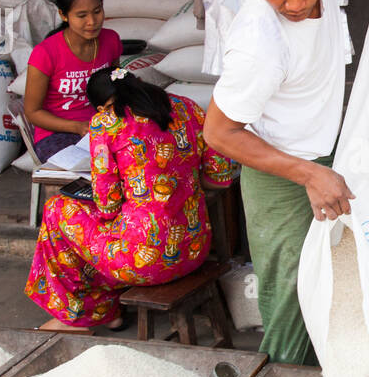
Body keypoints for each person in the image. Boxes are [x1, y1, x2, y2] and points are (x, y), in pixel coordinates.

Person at [203, 0, 369, 365]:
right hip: (280, 174)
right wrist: (308, 173)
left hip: (330, 151)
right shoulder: (258, 43)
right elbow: (218, 132)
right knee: (292, 298)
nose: (295, 3)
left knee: (343, 284)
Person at [26, 68, 238, 331]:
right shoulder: (188, 108)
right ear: (138, 84)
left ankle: (85, 316)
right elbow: (220, 178)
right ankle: (104, 310)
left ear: (102, 106)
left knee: (57, 209)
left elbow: (108, 205)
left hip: (141, 261)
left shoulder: (106, 123)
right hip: (194, 249)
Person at [24, 0, 122, 161]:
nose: (92, 21)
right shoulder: (45, 53)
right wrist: (77, 127)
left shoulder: (110, 40)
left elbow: (116, 80)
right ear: (63, 15)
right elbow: (32, 112)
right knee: (98, 167)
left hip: (102, 126)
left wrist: (130, 84)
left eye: (97, 11)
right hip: (57, 134)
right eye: (82, 16)